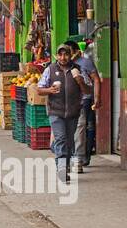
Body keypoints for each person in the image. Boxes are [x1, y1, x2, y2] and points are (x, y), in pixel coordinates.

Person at [37, 45, 93, 184]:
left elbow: (87, 91)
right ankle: (61, 169)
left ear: (71, 55)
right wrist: (49, 90)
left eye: (66, 54)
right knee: (61, 139)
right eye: (60, 55)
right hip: (55, 112)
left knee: (69, 142)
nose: (63, 58)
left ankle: (65, 167)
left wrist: (79, 80)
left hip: (73, 112)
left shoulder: (78, 70)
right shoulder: (50, 70)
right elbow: (39, 89)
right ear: (56, 56)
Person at [65, 38, 100, 172]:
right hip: (67, 102)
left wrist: (97, 98)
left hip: (85, 100)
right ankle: (71, 157)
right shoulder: (63, 65)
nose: (66, 55)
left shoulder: (85, 62)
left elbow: (96, 79)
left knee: (84, 128)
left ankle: (82, 157)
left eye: (68, 52)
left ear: (75, 51)